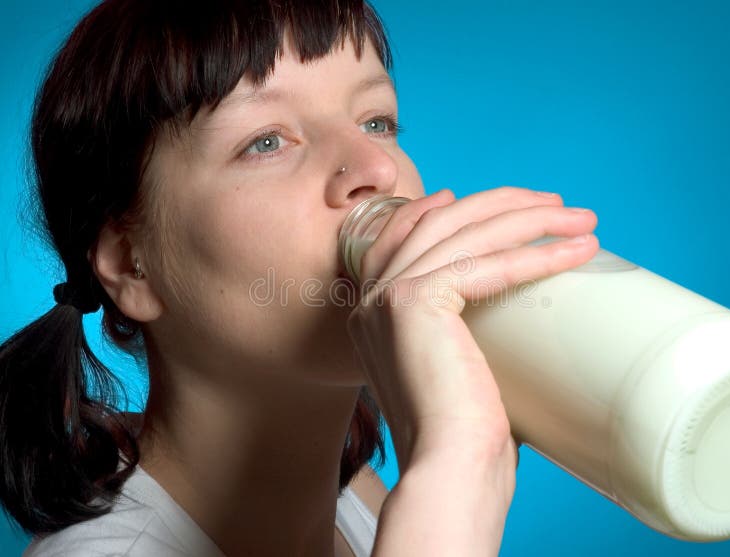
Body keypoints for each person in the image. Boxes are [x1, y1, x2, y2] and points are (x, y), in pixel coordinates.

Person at [0, 0, 598, 555]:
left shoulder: (355, 497)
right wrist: (456, 468)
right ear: (134, 265)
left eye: (376, 121)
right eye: (266, 141)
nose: (375, 168)